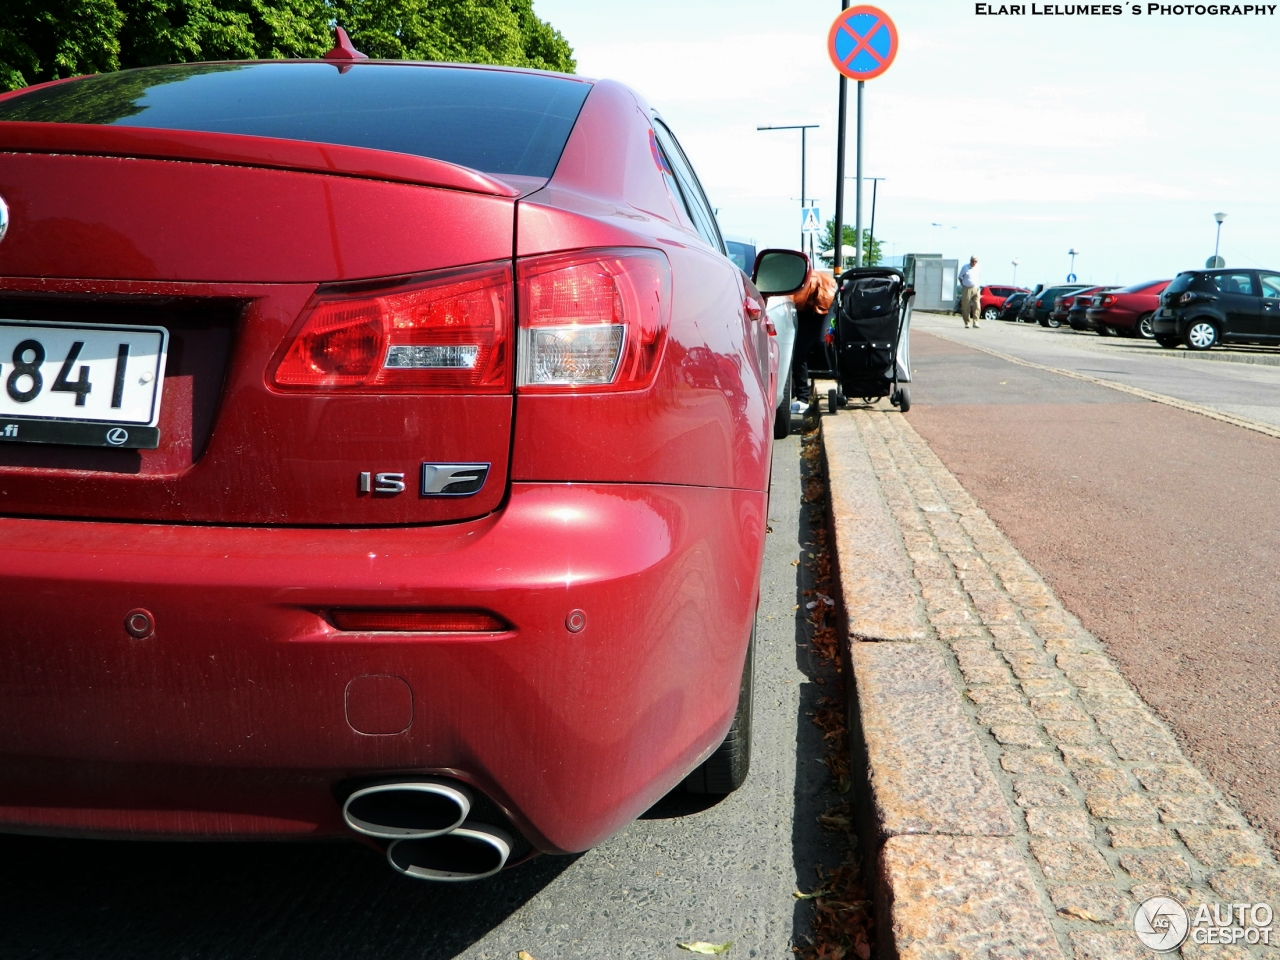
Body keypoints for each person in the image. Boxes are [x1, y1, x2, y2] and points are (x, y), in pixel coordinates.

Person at [789, 271, 837, 414]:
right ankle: (803, 398)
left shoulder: (822, 285)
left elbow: (826, 301)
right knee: (798, 353)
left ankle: (842, 383)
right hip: (804, 309)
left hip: (824, 305)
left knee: (823, 343)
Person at [958, 255, 981, 328]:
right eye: (973, 261)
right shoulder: (965, 267)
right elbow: (960, 277)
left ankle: (976, 322)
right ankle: (967, 322)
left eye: (975, 261)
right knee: (966, 306)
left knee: (977, 305)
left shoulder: (978, 268)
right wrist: (963, 285)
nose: (974, 263)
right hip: (967, 288)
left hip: (976, 288)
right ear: (970, 261)